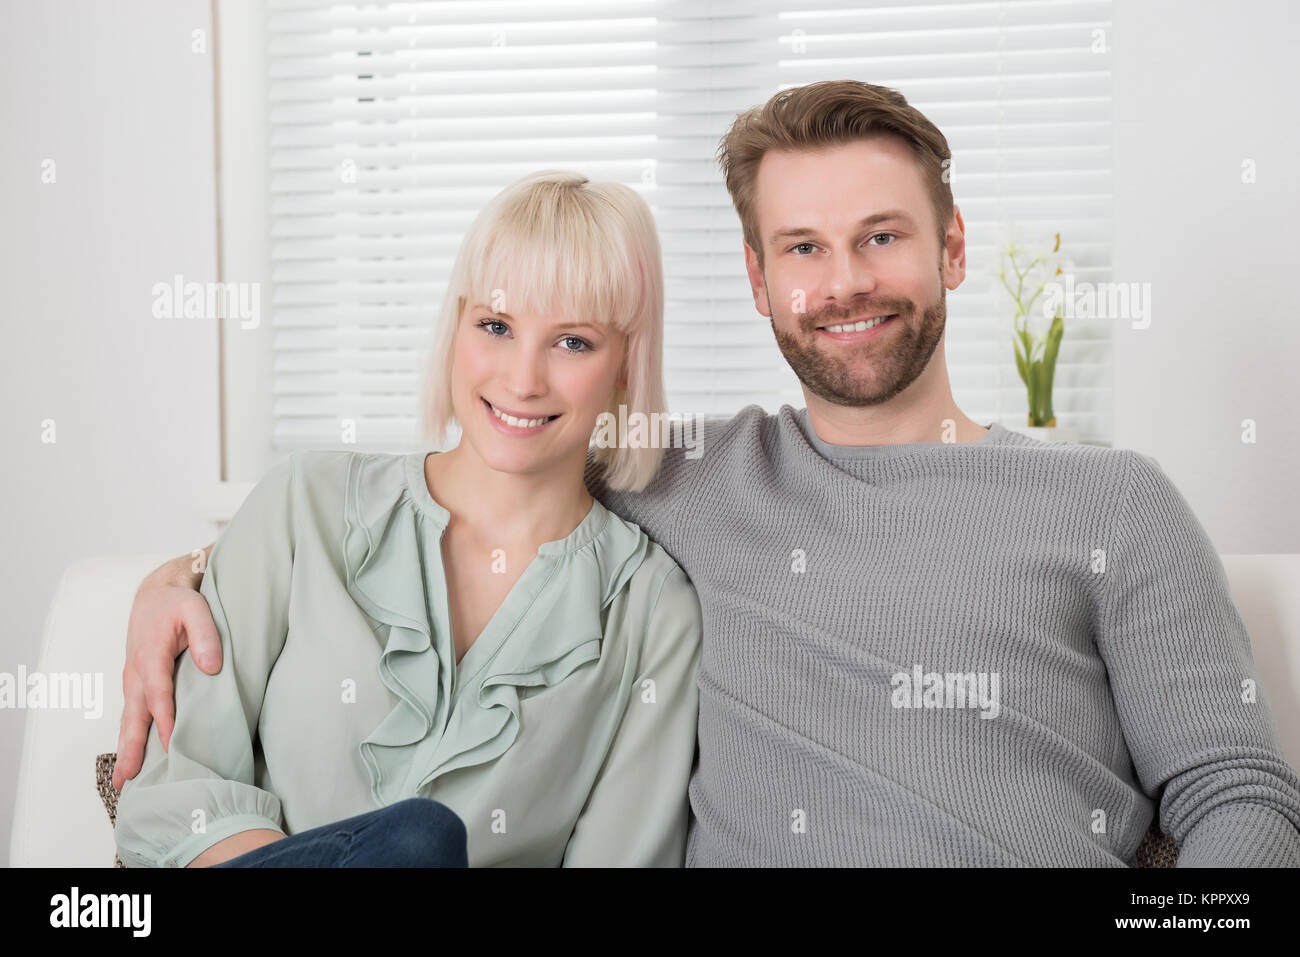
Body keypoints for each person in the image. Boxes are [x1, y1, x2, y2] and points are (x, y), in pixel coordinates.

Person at [117, 81, 1300, 866]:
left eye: (880, 237)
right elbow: (485, 466)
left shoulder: (1111, 503)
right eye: (803, 248)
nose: (844, 282)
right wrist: (187, 577)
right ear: (756, 276)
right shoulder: (687, 478)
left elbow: (1239, 797)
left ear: (949, 246)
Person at [112, 170, 703, 868]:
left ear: (627, 364)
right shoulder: (304, 505)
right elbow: (176, 792)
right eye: (496, 326)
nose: (522, 379)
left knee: (422, 839)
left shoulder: (651, 612)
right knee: (418, 841)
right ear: (456, 328)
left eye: (572, 342)